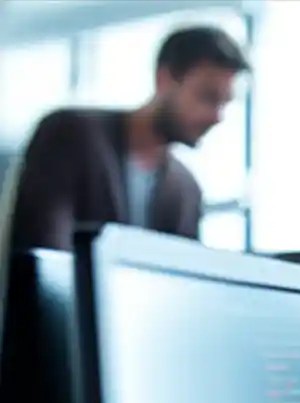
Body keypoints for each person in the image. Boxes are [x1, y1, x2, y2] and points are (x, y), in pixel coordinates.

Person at [10, 25, 249, 250]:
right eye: (207, 97)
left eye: (224, 103)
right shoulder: (71, 133)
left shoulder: (186, 190)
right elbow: (41, 253)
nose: (217, 116)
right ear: (164, 79)